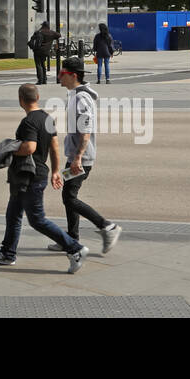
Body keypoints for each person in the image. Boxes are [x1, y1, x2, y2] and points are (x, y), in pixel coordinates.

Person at [0, 82, 89, 273]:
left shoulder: (29, 122)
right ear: (38, 98)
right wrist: (56, 171)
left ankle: (75, 249)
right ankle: (7, 253)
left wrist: (8, 149)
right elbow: (54, 147)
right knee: (13, 213)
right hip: (35, 174)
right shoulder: (47, 118)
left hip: (29, 176)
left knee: (37, 219)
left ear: (20, 100)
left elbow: (29, 147)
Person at [47, 57, 122, 256]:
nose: (59, 76)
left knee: (70, 198)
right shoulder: (74, 94)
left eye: (62, 73)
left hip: (81, 157)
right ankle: (71, 240)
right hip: (75, 154)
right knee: (68, 197)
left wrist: (78, 157)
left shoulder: (81, 98)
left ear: (73, 75)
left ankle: (107, 227)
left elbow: (86, 129)